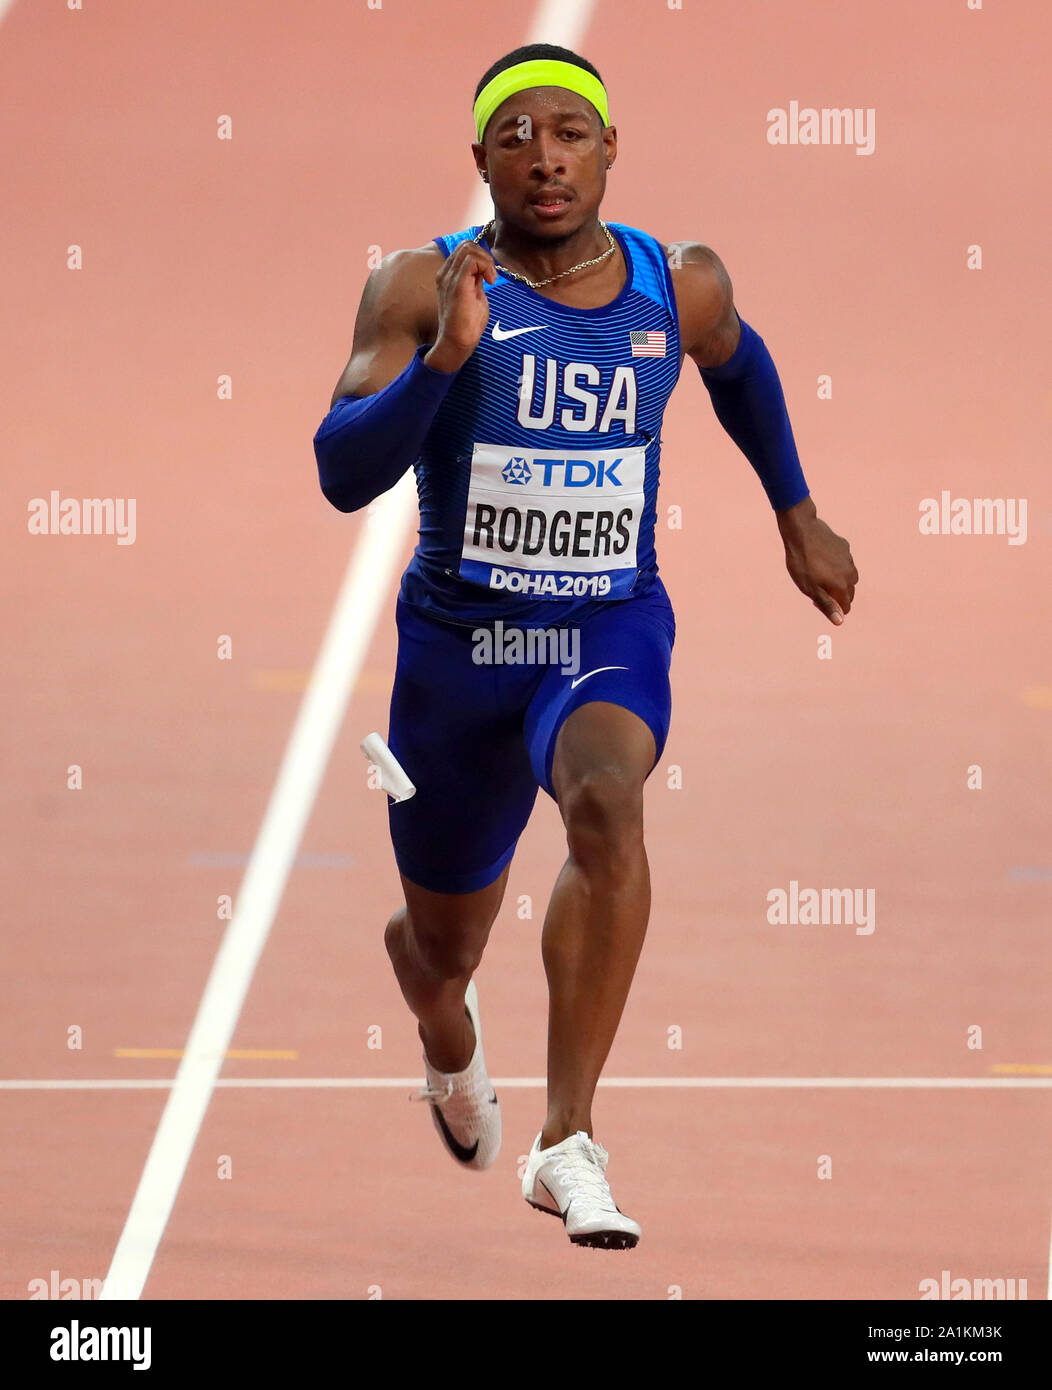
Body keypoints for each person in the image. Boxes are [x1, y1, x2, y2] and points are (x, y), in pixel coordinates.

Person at [313, 43, 858, 1250]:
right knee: (440, 949)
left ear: (612, 150)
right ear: (479, 162)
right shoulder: (420, 287)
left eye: (570, 132)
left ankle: (568, 1142)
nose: (544, 156)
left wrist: (795, 510)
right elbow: (342, 474)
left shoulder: (678, 284)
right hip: (457, 653)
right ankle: (445, 1035)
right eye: (515, 137)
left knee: (607, 803)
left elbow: (741, 368)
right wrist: (447, 362)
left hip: (600, 624)